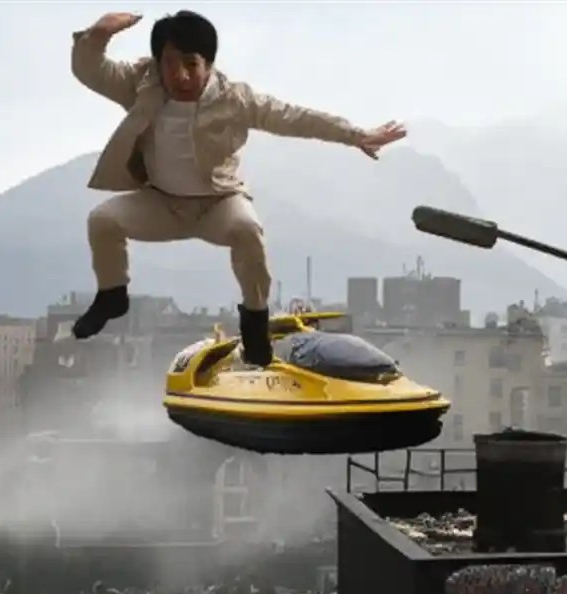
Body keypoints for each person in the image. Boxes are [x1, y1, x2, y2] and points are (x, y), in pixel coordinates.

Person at [69, 9, 407, 366]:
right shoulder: (141, 82)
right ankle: (112, 295)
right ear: (158, 63)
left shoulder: (234, 99)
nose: (180, 76)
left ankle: (255, 324)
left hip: (217, 203)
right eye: (170, 64)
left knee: (248, 230)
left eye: (191, 64)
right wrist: (98, 35)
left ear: (208, 65)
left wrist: (356, 136)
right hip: (162, 202)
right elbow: (91, 71)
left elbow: (294, 117)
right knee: (103, 220)